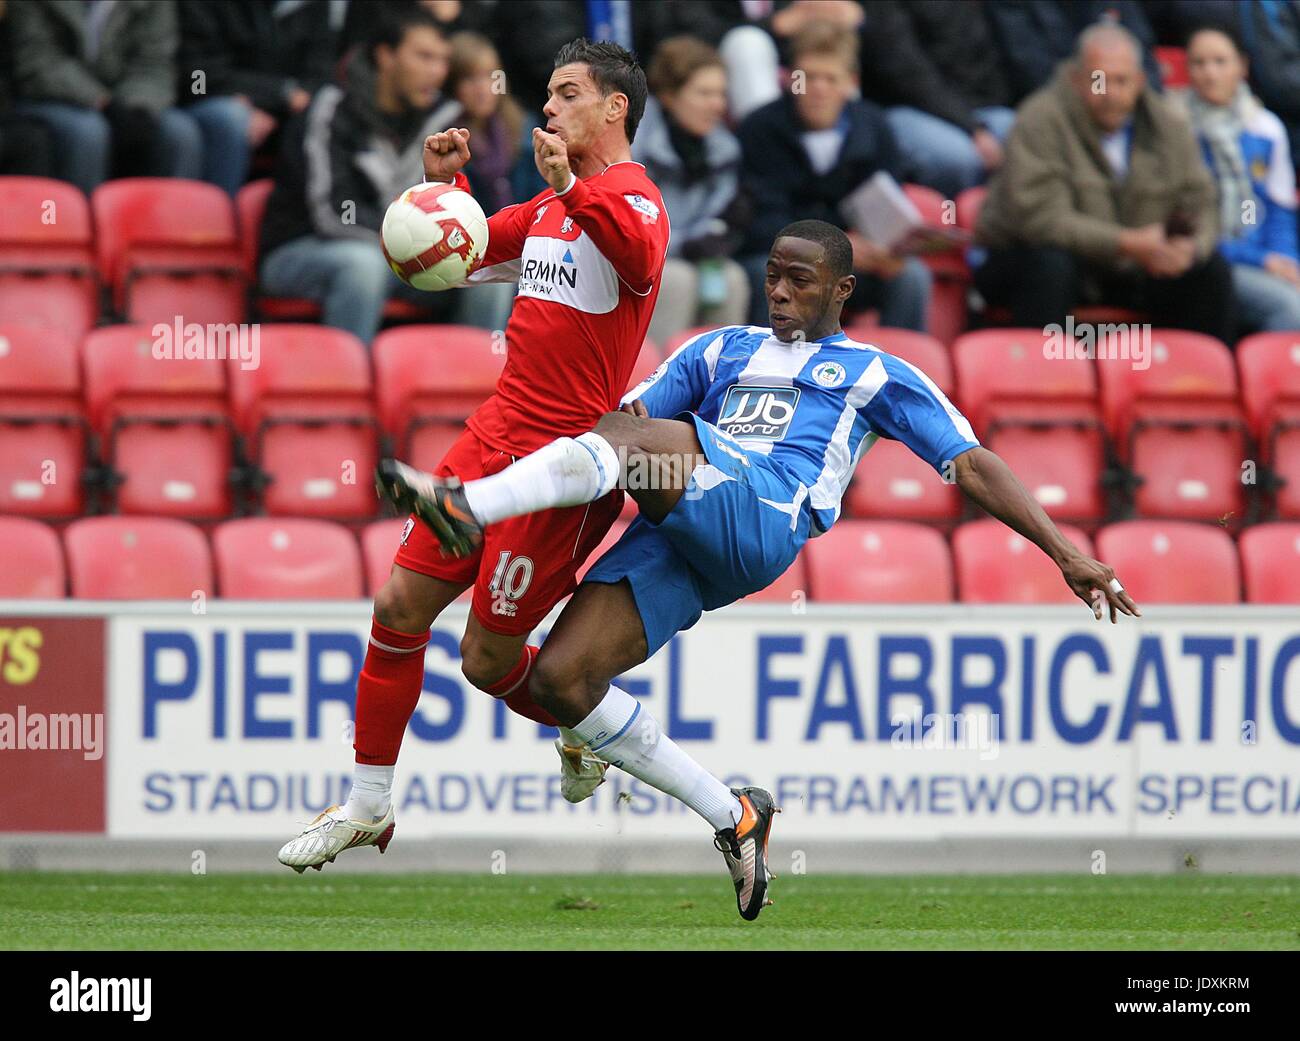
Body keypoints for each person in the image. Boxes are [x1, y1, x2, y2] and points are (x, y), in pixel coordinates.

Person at [371, 220, 1143, 919]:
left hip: (765, 510)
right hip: (684, 538)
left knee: (630, 446)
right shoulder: (719, 349)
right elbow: (626, 424)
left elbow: (968, 462)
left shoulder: (875, 372)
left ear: (842, 289)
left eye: (799, 280)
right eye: (773, 274)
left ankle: (465, 502)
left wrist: (1066, 552)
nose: (778, 291)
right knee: (560, 682)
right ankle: (734, 813)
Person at [277, 38, 670, 875]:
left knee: (487, 662)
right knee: (398, 603)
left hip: (561, 469)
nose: (549, 109)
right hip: (491, 437)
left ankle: (584, 716)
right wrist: (440, 191)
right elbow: (445, 263)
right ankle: (368, 806)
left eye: (568, 95)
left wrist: (569, 185)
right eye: (549, 94)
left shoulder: (636, 202)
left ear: (614, 110)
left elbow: (637, 258)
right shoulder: (544, 213)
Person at [973, 23, 1235, 344]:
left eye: (1122, 81)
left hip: (1131, 268)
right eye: (1099, 81)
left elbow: (1203, 202)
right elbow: (1041, 221)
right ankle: (1040, 382)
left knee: (1209, 272)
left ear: (1140, 81)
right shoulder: (1039, 118)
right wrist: (1129, 242)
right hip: (1029, 261)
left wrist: (1190, 248)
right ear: (1075, 78)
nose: (1110, 93)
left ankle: (1192, 384)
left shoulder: (1169, 124)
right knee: (1050, 265)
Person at [257, 7, 472, 345]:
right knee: (363, 265)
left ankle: (475, 389)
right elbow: (330, 212)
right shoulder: (331, 110)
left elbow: (449, 210)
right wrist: (410, 246)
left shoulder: (443, 122)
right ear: (386, 55)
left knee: (482, 272)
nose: (437, 72)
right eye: (424, 57)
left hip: (402, 257)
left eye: (443, 61)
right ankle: (344, 387)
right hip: (303, 250)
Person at [736, 20, 931, 332]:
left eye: (831, 78)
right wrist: (834, 247)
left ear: (850, 82)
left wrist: (884, 246)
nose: (819, 88)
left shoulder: (875, 126)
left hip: (854, 264)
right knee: (767, 271)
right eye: (809, 77)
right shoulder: (759, 128)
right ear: (788, 79)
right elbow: (761, 222)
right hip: (785, 258)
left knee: (911, 277)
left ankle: (899, 373)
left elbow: (887, 204)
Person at [9, 0, 245, 195]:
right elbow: (39, 62)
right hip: (52, 98)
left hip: (130, 97)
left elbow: (154, 63)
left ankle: (175, 233)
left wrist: (134, 107)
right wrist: (103, 103)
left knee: (179, 132)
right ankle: (79, 232)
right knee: (89, 132)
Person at [1179, 24, 1300, 334]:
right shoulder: (1176, 128)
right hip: (1209, 265)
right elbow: (1187, 227)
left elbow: (1278, 211)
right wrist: (1262, 261)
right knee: (1291, 308)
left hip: (1263, 262)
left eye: (1220, 62)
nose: (1210, 73)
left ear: (1242, 67)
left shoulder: (1265, 128)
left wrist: (1286, 261)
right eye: (1199, 63)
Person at [634, 35, 750, 345]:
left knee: (731, 278)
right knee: (677, 280)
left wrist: (717, 233)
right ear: (670, 96)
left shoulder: (723, 148)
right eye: (704, 93)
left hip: (688, 254)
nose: (717, 105)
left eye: (721, 94)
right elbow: (631, 226)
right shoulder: (634, 143)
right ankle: (653, 382)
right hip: (635, 261)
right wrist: (683, 246)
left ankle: (718, 382)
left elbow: (716, 214)